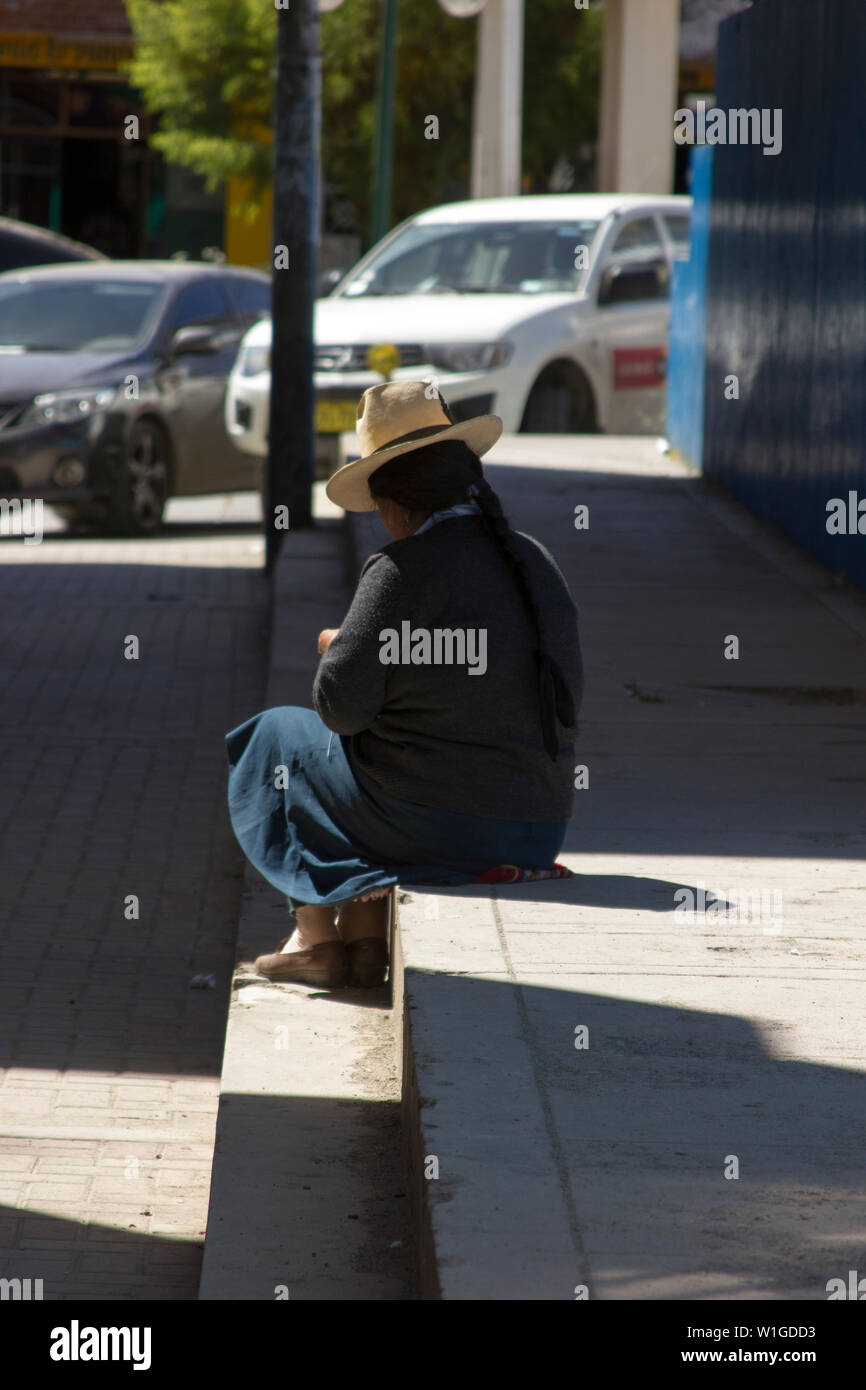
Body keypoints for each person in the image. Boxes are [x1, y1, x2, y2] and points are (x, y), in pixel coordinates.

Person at [225, 380, 582, 989]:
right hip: (537, 827)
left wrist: (340, 649)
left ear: (393, 504)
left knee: (277, 737)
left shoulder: (396, 571)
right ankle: (363, 946)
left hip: (442, 829)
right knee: (371, 767)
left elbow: (340, 709)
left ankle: (318, 940)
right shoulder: (536, 562)